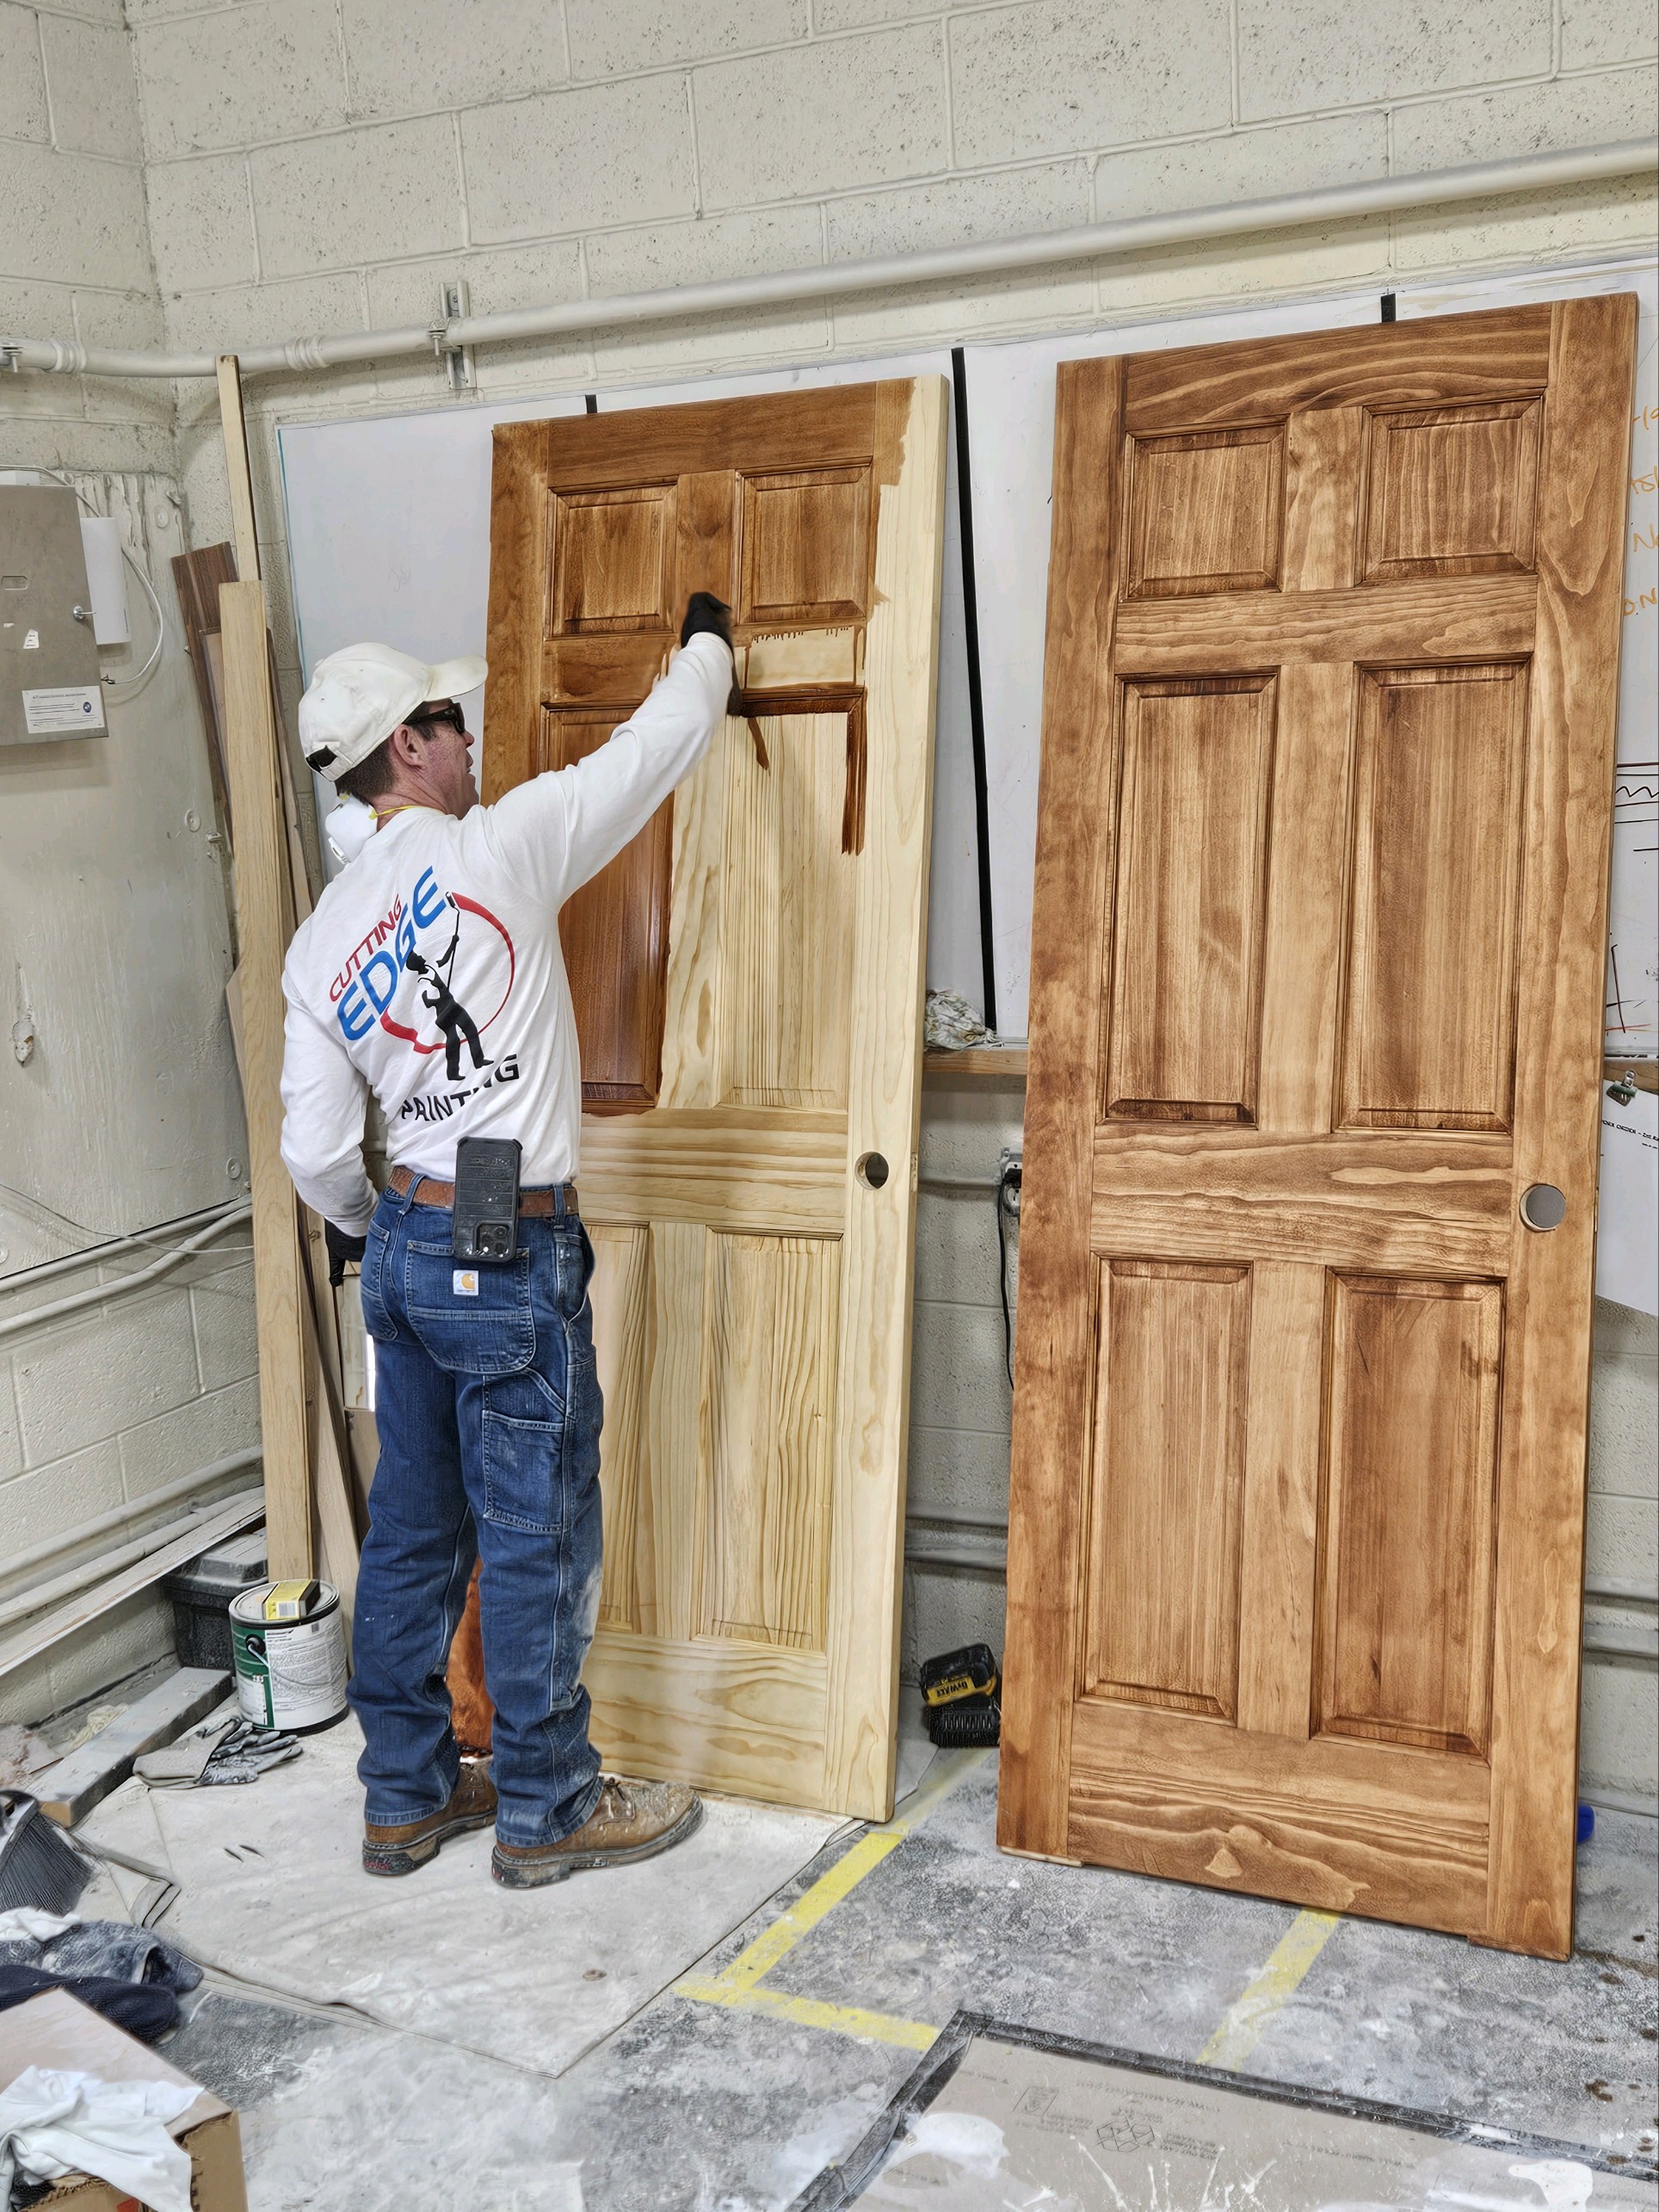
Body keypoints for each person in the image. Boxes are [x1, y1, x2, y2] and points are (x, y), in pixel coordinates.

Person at [279, 597, 737, 1887]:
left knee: (417, 1531)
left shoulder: (321, 946)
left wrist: (388, 1232)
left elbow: (315, 1153)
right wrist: (707, 646)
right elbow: (657, 747)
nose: (471, 734)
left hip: (413, 1245)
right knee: (532, 1529)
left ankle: (405, 1795)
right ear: (408, 751)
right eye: (449, 719)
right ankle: (544, 1804)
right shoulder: (498, 850)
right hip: (510, 1245)